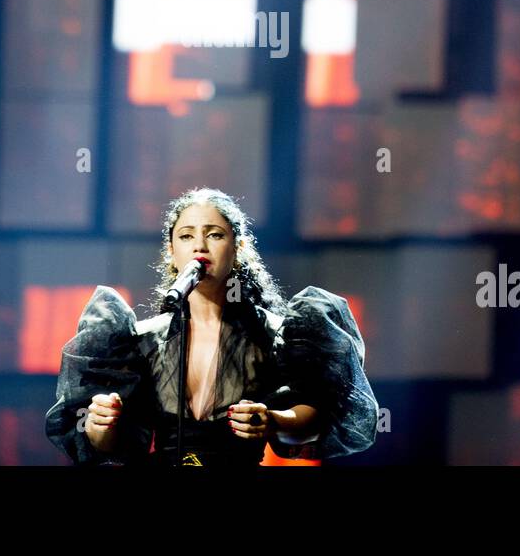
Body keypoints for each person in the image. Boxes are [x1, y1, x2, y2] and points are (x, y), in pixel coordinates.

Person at [45, 187, 379, 465]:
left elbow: (316, 420)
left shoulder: (277, 335)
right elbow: (113, 448)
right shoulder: (141, 341)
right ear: (172, 252)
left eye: (215, 234)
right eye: (186, 235)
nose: (199, 245)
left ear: (238, 248)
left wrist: (274, 420)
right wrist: (101, 425)